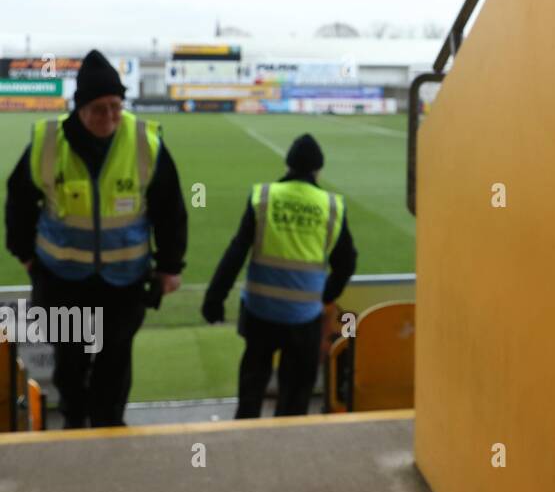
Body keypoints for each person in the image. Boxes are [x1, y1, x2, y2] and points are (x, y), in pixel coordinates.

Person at [4, 50, 187, 428]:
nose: (110, 118)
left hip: (123, 285)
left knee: (114, 367)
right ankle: (74, 428)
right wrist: (24, 253)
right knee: (70, 368)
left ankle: (109, 432)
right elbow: (19, 199)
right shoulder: (48, 142)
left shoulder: (144, 140)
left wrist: (170, 266)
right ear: (79, 108)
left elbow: (169, 206)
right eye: (99, 109)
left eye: (116, 107)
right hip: (63, 282)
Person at [202, 134, 357, 418]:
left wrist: (215, 297)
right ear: (317, 170)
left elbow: (237, 251)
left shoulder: (263, 197)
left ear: (288, 165)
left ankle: (244, 444)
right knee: (295, 399)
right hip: (305, 316)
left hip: (260, 312)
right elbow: (347, 263)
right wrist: (325, 295)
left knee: (252, 388)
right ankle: (286, 450)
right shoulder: (331, 206)